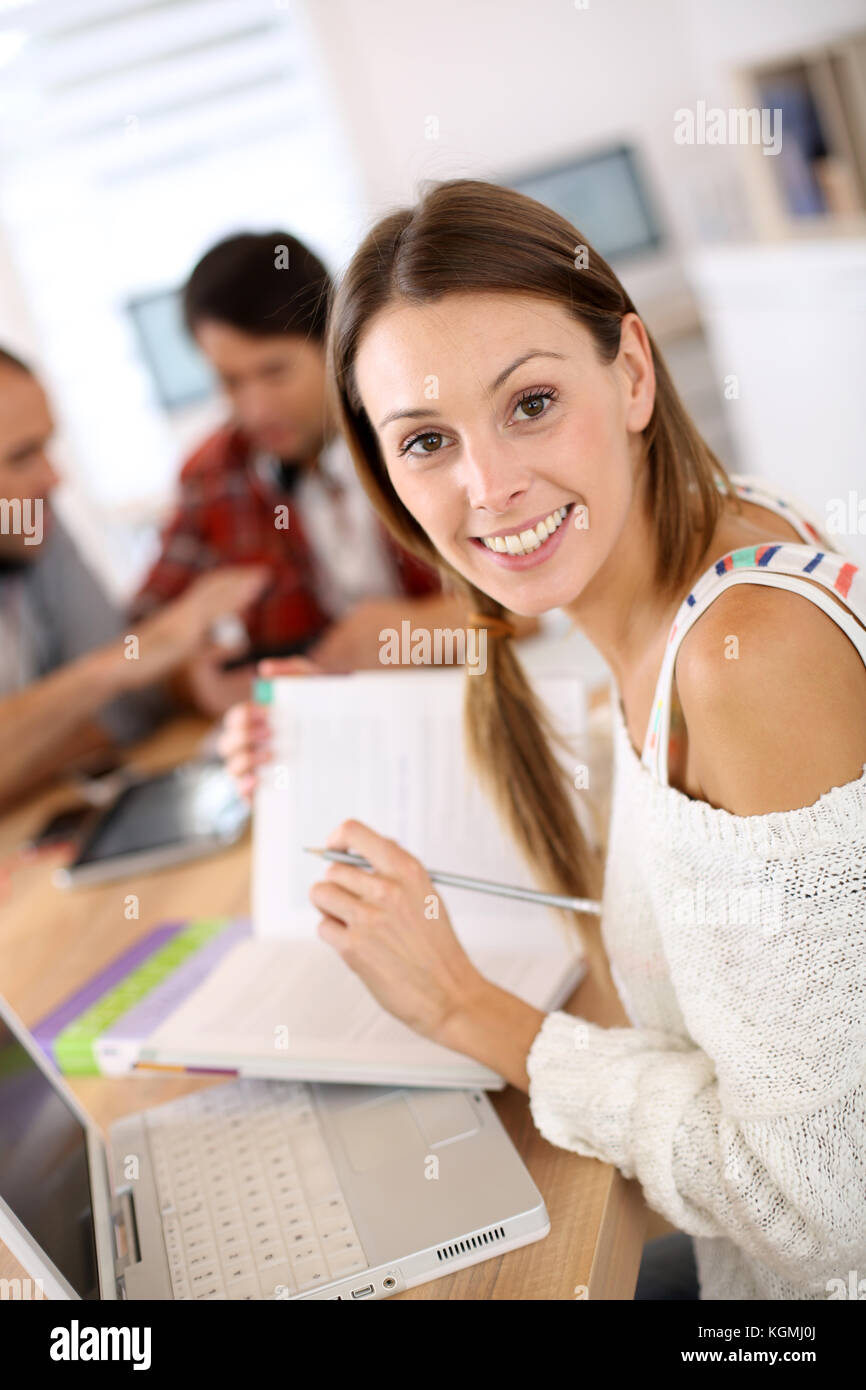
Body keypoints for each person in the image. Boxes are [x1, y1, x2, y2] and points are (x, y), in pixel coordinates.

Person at [221, 179, 866, 1301]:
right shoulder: (713, 531)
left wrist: (472, 1014)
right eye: (426, 440)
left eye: (527, 403)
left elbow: (822, 1205)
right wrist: (325, 744)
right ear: (384, 470)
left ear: (628, 370)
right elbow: (683, 842)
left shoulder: (742, 656)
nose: (490, 484)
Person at [135, 230, 527, 716]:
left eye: (274, 372)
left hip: (475, 710)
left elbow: (529, 604)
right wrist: (192, 680)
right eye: (230, 381)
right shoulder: (214, 473)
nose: (254, 409)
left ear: (334, 343)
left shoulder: (424, 432)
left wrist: (410, 635)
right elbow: (142, 636)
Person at [0, 346, 266, 809]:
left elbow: (126, 709)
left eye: (47, 447)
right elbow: (120, 672)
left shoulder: (31, 524)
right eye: (22, 457)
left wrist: (182, 678)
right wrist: (104, 673)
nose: (53, 478)